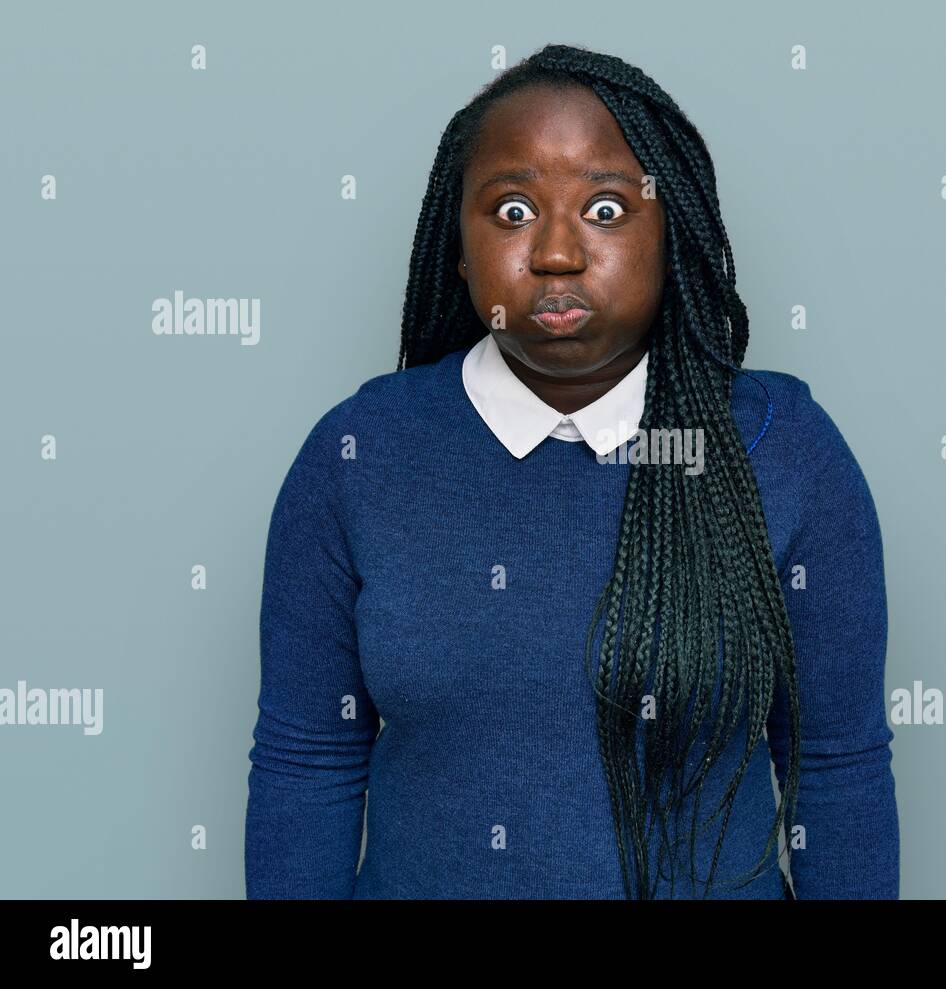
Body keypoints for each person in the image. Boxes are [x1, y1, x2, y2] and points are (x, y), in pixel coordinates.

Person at [244, 43, 898, 900]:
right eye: (511, 211)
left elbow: (836, 766)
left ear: (675, 236)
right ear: (460, 249)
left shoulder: (783, 449)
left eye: (605, 209)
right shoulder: (357, 456)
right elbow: (308, 761)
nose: (556, 252)